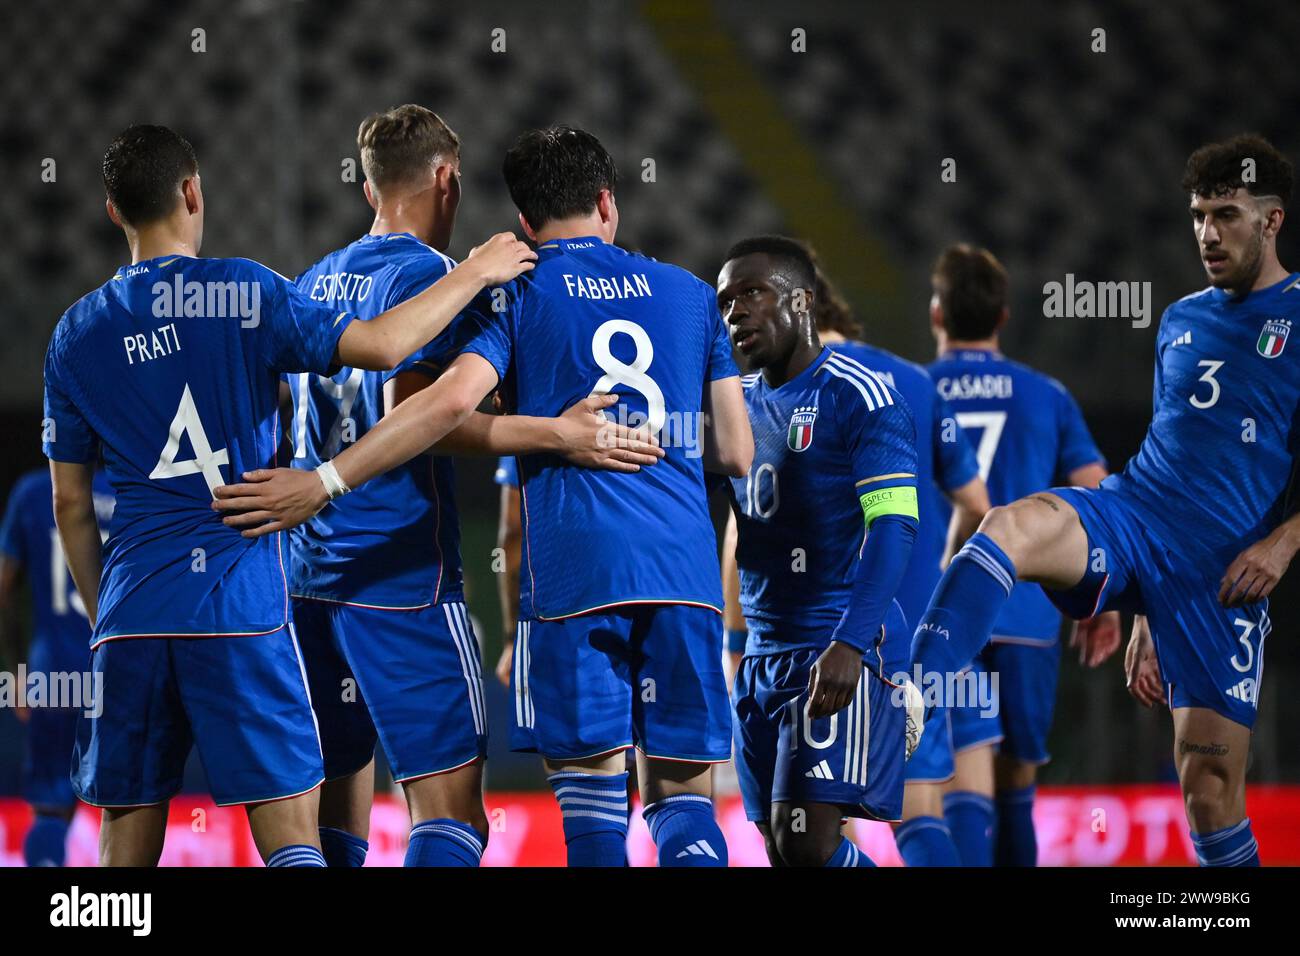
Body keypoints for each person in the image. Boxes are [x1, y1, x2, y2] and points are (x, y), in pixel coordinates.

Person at [213, 125, 754, 867]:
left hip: (315, 579)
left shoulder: (315, 280)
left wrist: (322, 481)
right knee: (471, 817)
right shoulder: (677, 294)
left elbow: (437, 408)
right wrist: (561, 434)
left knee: (341, 815)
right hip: (417, 581)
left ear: (368, 188)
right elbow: (733, 451)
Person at [42, 123, 535, 866]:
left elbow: (71, 507)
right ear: (191, 192)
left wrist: (104, 613)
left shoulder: (77, 333)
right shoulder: (252, 290)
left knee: (130, 844)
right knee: (346, 834)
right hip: (291, 594)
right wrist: (473, 278)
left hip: (181, 604)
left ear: (113, 212)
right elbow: (401, 373)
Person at [911, 134, 1299, 867]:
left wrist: (1283, 543)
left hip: (1219, 567)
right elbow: (1170, 439)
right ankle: (915, 688)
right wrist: (1139, 605)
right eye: (1197, 216)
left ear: (1272, 220)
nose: (1207, 234)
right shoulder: (1181, 318)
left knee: (1209, 785)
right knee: (1010, 525)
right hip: (1133, 513)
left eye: (1226, 215)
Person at [718, 236, 922, 866]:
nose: (736, 314)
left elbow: (895, 527)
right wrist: (732, 642)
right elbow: (736, 533)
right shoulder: (735, 407)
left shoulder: (859, 393)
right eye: (726, 302)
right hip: (761, 658)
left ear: (802, 302)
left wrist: (852, 643)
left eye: (752, 294)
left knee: (806, 847)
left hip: (834, 646)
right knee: (785, 852)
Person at [805, 252, 989, 866]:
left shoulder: (788, 388)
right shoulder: (914, 381)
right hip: (910, 637)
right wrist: (935, 572)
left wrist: (730, 638)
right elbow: (977, 504)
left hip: (820, 638)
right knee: (920, 818)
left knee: (817, 827)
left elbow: (747, 533)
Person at [0, 468, 112, 865]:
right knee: (131, 806)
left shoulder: (33, 492)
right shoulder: (133, 489)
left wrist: (13, 671)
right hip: (117, 671)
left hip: (54, 677)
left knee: (49, 805)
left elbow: (4, 587)